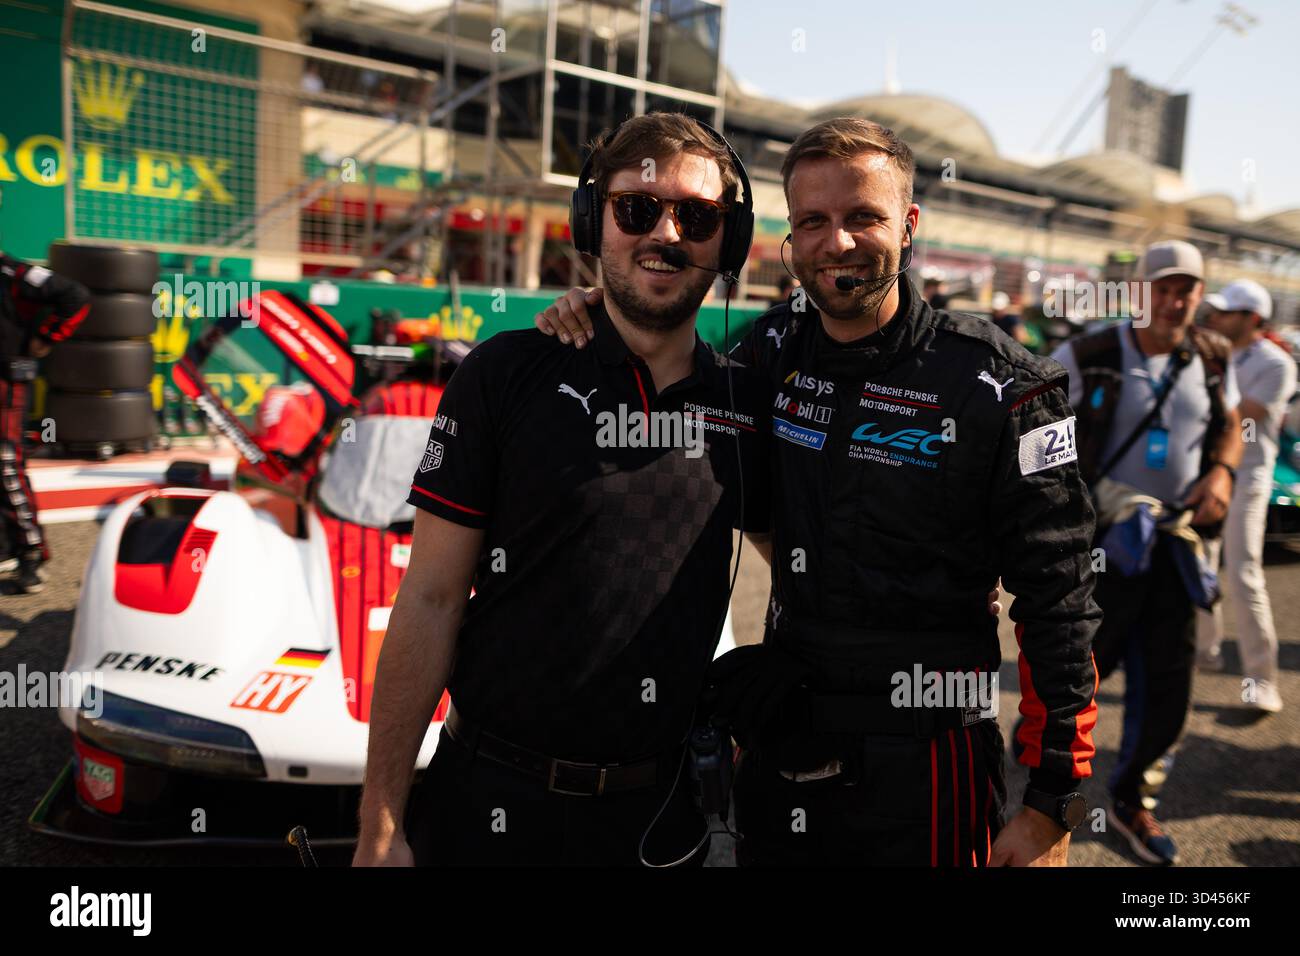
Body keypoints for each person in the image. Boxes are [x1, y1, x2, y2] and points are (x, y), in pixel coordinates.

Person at [537, 117, 1101, 867]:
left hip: (928, 766)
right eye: (814, 221)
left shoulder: (1000, 387)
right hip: (784, 748)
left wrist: (1053, 803)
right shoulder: (765, 354)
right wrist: (589, 310)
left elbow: (1061, 603)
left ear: (908, 227)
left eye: (863, 217)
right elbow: (660, 376)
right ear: (789, 238)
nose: (837, 242)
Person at [352, 112, 773, 867]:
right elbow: (431, 599)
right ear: (594, 220)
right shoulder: (506, 374)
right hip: (484, 807)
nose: (667, 235)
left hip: (659, 823)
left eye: (698, 217)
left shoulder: (748, 405)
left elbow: (817, 565)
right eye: (637, 209)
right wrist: (380, 824)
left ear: (729, 242)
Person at [1052, 240, 1243, 865]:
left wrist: (1220, 471)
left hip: (1175, 549)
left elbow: (1231, 424)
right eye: (1162, 286)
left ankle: (1132, 797)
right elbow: (1026, 425)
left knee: (1166, 689)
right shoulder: (1090, 354)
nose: (1174, 299)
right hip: (1100, 552)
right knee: (1073, 677)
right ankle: (1045, 786)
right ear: (1136, 291)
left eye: (1186, 287)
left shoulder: (1213, 356)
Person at [1196, 280, 1293, 713]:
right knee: (1197, 566)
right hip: (1208, 471)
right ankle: (1205, 653)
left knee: (1244, 571)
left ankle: (1261, 681)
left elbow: (1241, 417)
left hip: (1250, 475)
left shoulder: (1275, 362)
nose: (1214, 319)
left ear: (1251, 318)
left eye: (1226, 313)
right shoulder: (1211, 351)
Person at [0, 236, 90, 593]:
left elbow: (76, 297)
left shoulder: (12, 272)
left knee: (5, 464)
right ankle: (7, 548)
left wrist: (45, 338)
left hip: (6, 382)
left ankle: (32, 553)